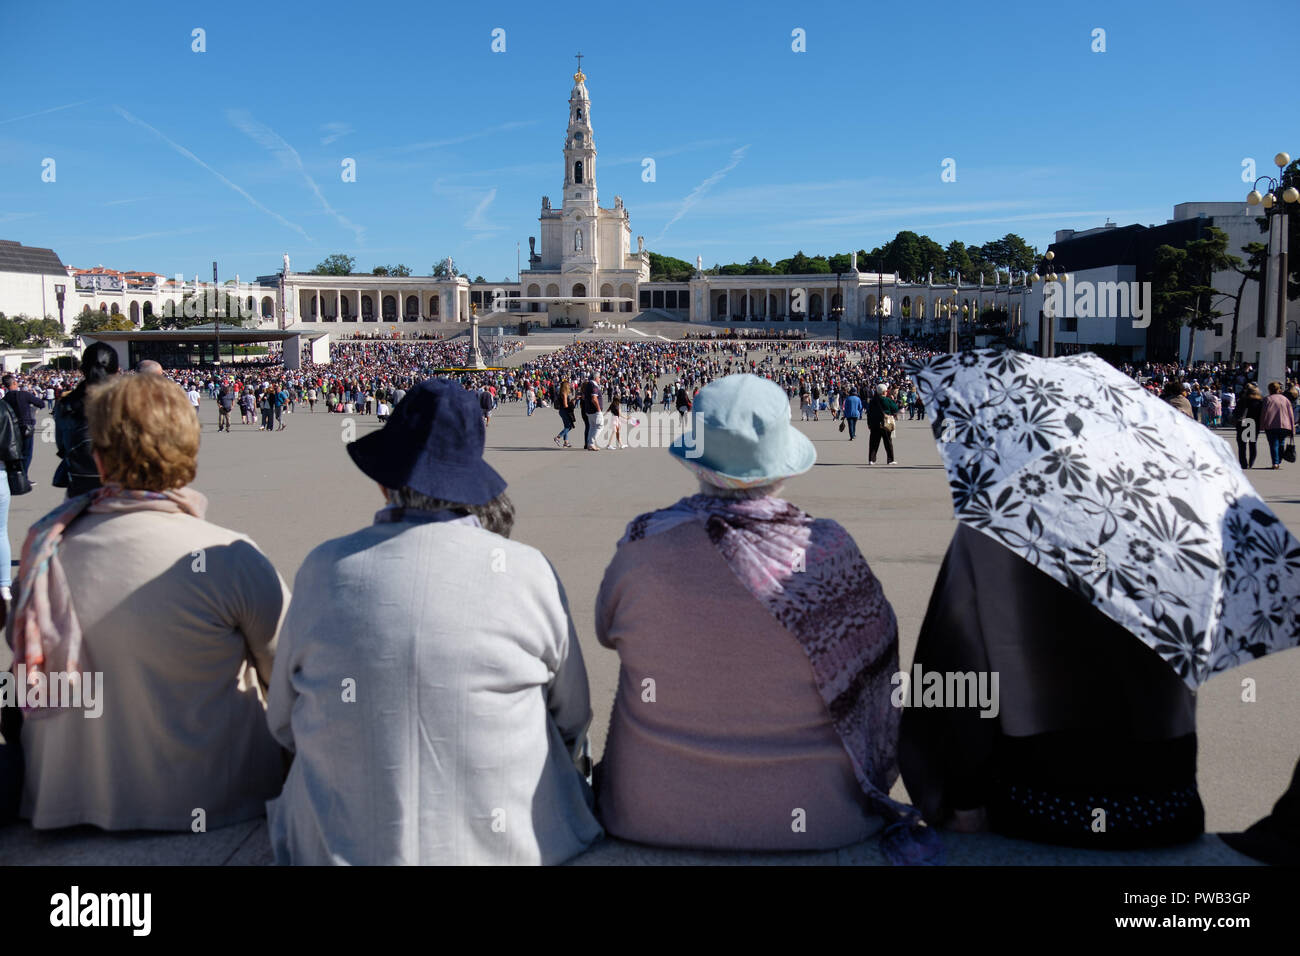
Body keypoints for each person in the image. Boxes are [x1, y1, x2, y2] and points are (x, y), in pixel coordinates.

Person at [265, 379, 601, 864]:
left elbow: (282, 723)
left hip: (336, 847)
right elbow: (572, 716)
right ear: (470, 486)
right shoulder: (527, 570)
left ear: (384, 481)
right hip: (511, 848)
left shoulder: (323, 568)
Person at [594, 374, 930, 858]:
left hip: (648, 811)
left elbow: (608, 632)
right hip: (819, 815)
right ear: (784, 467)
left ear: (697, 463)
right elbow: (878, 666)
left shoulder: (643, 540)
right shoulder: (826, 549)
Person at [11, 373, 289, 831]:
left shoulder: (42, 553)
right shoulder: (229, 555)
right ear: (190, 456)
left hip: (63, 804)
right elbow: (291, 673)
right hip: (218, 803)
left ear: (97, 459)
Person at [899, 522, 1204, 849]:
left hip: (1043, 808)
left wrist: (963, 801)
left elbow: (957, 678)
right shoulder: (1182, 521)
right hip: (1165, 807)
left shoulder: (996, 522)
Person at [53, 343, 119, 499]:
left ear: (83, 370)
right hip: (123, 489)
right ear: (117, 370)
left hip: (79, 489)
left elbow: (62, 446)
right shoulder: (129, 401)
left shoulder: (66, 404)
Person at [2, 374, 45, 482]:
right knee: (27, 453)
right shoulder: (24, 395)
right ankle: (23, 477)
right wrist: (32, 407)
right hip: (26, 426)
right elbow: (41, 403)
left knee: (17, 453)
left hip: (12, 429)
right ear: (14, 383)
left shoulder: (5, 399)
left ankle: (14, 476)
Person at [1259, 380, 1295, 469]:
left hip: (1271, 425)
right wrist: (1292, 429)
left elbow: (1264, 413)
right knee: (1281, 443)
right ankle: (1278, 461)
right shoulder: (1285, 399)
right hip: (1285, 425)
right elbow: (1291, 415)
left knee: (1273, 444)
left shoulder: (1267, 399)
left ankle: (1275, 462)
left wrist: (1262, 425)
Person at [865, 383, 899, 465]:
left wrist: (869, 423)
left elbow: (869, 413)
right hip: (885, 423)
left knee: (873, 442)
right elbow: (895, 408)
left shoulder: (873, 401)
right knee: (888, 442)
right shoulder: (887, 400)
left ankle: (871, 459)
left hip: (874, 423)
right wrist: (893, 400)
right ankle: (890, 459)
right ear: (884, 392)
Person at [1233, 383, 1263, 469]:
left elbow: (1236, 412)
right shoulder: (1259, 402)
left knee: (1242, 445)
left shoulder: (1242, 400)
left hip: (1243, 423)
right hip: (1254, 424)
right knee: (1252, 444)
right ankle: (1251, 462)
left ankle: (1243, 463)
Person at [581, 372, 603, 451]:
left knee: (592, 427)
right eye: (599, 377)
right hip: (594, 410)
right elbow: (594, 398)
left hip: (588, 410)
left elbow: (584, 397)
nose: (600, 379)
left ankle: (589, 444)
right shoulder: (594, 385)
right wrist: (598, 409)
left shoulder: (588, 385)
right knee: (599, 426)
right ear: (595, 378)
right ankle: (591, 443)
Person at [554, 381, 576, 448]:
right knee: (569, 426)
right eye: (568, 385)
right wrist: (571, 403)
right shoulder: (564, 393)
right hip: (565, 411)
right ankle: (558, 437)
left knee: (566, 426)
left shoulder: (561, 393)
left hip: (562, 411)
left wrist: (574, 399)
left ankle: (566, 442)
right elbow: (565, 405)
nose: (569, 386)